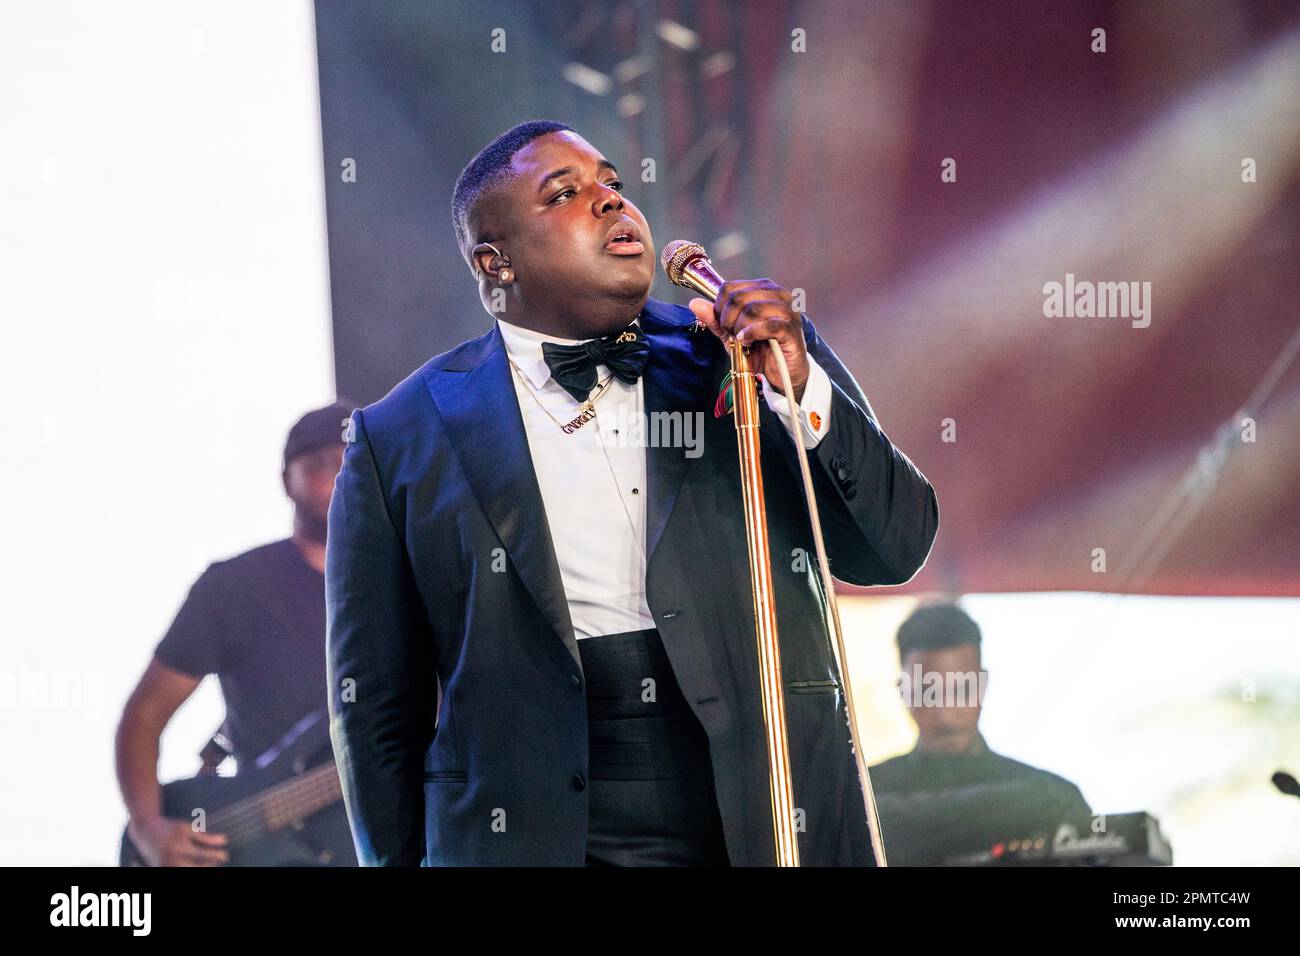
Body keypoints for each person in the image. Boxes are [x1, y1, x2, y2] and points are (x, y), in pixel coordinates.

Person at [326, 120, 939, 867]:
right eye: (567, 193)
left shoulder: (739, 356)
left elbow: (895, 547)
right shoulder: (400, 435)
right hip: (532, 826)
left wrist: (801, 388)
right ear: (497, 261)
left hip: (763, 798)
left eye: (613, 183)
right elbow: (376, 711)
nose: (612, 202)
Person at [115, 403, 357, 866]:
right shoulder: (234, 586)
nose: (339, 475)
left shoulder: (413, 583)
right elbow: (144, 715)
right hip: (268, 845)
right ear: (287, 479)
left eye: (352, 460)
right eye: (320, 463)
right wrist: (148, 828)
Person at [870, 602, 1093, 865]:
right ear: (902, 690)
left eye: (960, 689)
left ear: (982, 685)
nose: (945, 709)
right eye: (927, 691)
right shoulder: (865, 797)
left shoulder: (1057, 798)